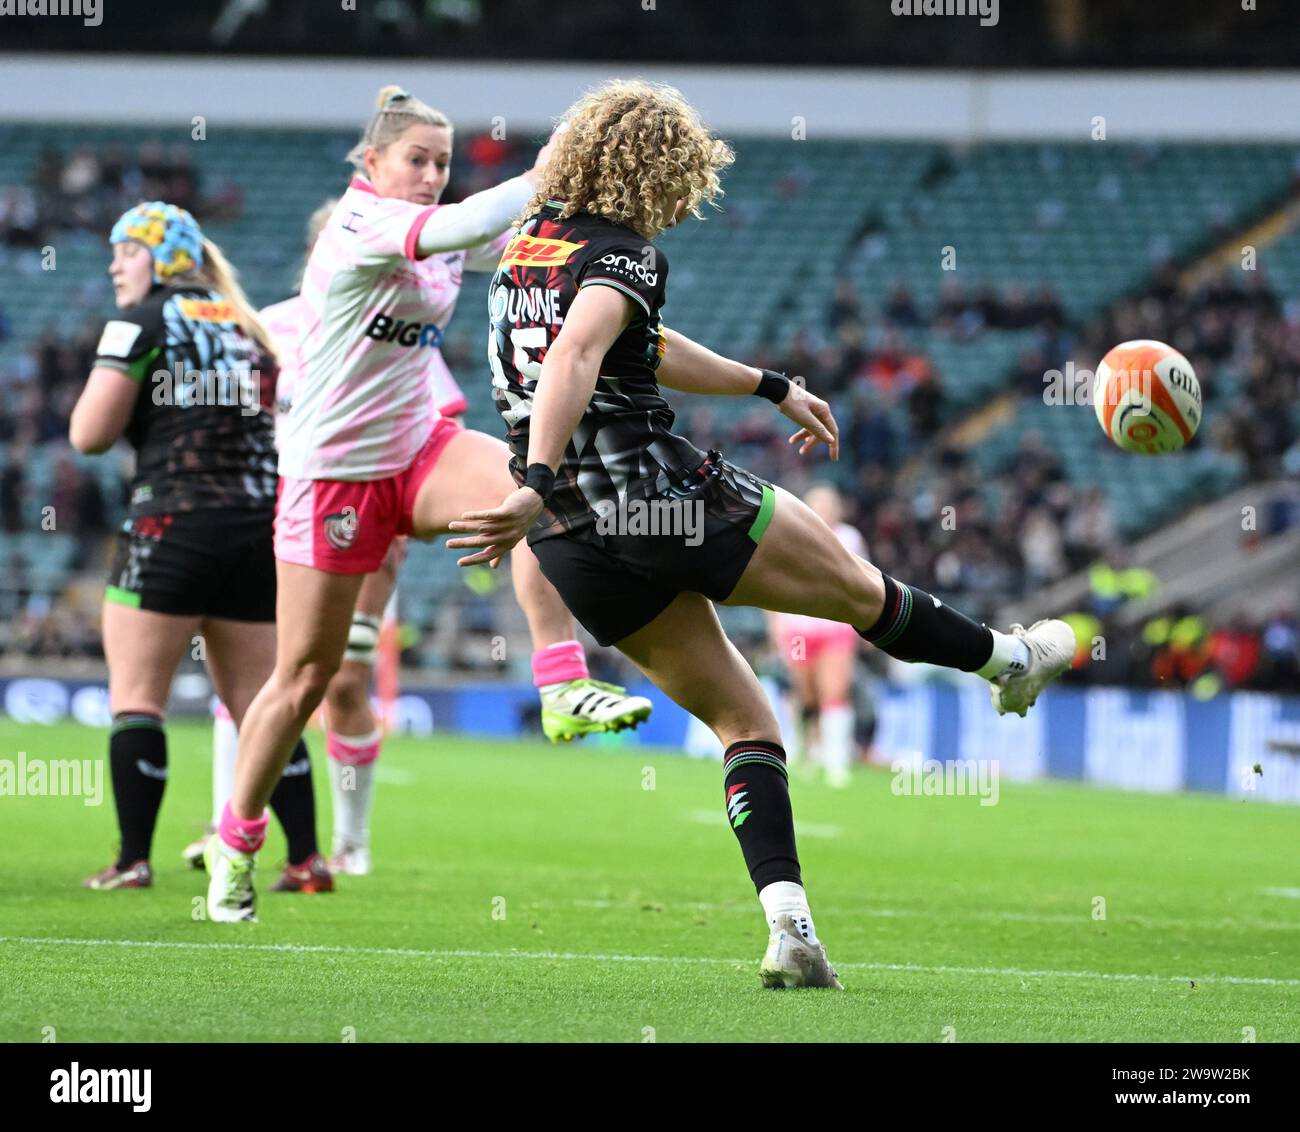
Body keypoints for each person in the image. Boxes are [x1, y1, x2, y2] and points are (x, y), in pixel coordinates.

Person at [448, 80, 1076, 989]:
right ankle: (1008, 665)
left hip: (572, 539)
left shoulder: (527, 247)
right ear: (662, 171)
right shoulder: (626, 252)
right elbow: (580, 355)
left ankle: (791, 931)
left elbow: (637, 345)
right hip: (656, 496)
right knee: (861, 592)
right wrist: (530, 477)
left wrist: (766, 386)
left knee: (748, 724)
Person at [204, 86, 651, 921]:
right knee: (302, 679)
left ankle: (560, 684)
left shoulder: (438, 233)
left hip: (418, 448)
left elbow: (512, 242)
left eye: (442, 163)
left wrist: (598, 209)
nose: (431, 175)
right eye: (417, 159)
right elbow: (466, 223)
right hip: (334, 474)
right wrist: (560, 153)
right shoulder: (361, 223)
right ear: (371, 163)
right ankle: (237, 841)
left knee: (536, 492)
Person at [70, 202, 328, 890]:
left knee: (136, 698)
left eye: (125, 250)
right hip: (257, 529)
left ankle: (132, 861)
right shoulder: (249, 327)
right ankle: (306, 858)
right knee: (260, 704)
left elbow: (88, 435)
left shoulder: (140, 322)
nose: (114, 263)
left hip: (171, 525)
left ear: (160, 258)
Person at [768, 483, 866, 788]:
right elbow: (769, 582)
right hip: (797, 630)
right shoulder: (789, 533)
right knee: (805, 695)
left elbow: (864, 581)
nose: (824, 511)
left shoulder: (849, 538)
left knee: (834, 692)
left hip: (835, 628)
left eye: (829, 504)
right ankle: (807, 750)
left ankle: (837, 762)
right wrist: (775, 627)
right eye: (817, 504)